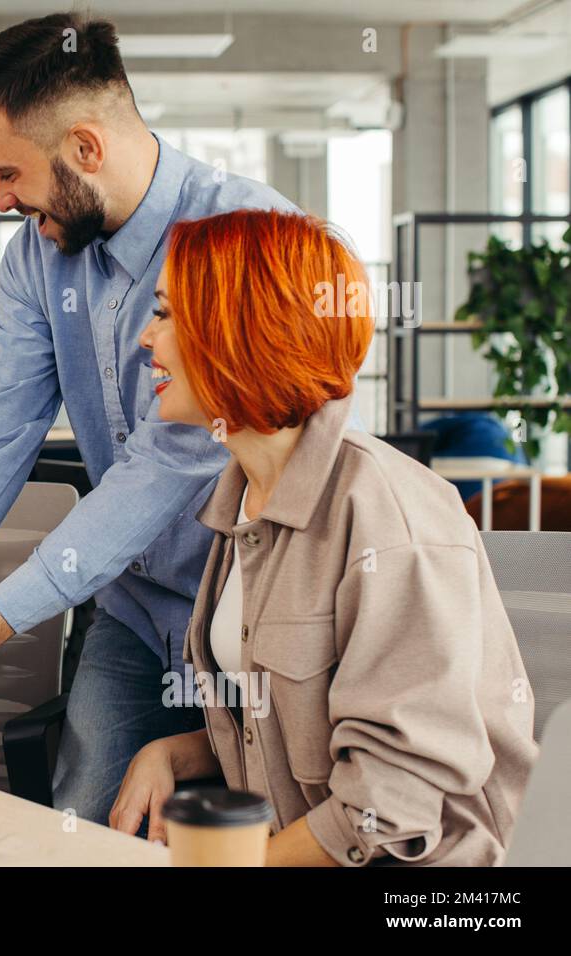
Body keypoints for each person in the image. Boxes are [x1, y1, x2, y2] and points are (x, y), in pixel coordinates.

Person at [0, 11, 298, 822]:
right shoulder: (38, 256)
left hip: (259, 610)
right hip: (139, 612)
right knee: (86, 819)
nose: (1, 199)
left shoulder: (239, 238)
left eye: (8, 172)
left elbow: (168, 461)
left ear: (86, 148)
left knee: (263, 826)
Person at [109, 209, 537, 865]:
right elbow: (291, 718)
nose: (146, 338)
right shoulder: (243, 499)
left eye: (165, 313)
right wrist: (177, 750)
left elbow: (391, 798)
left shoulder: (387, 509)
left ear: (237, 327)